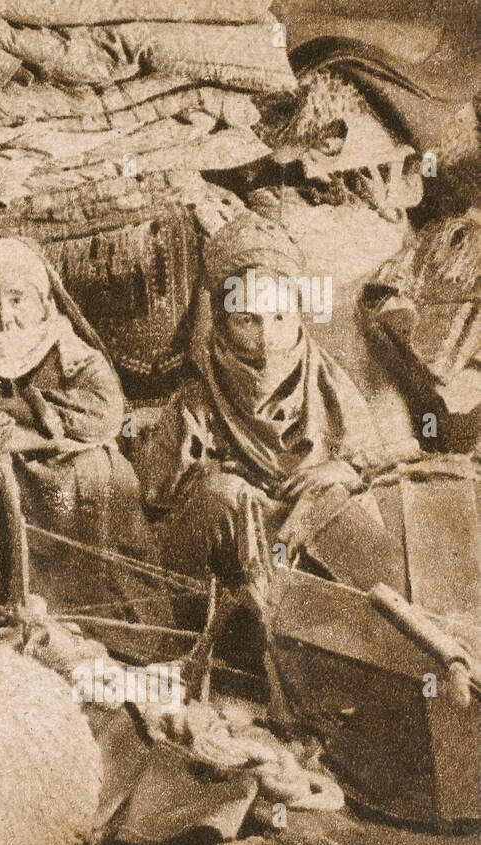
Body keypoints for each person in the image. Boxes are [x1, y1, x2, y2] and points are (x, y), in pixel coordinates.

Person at [137, 212, 378, 624]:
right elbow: (156, 503)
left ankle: (327, 627)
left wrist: (340, 471)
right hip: (226, 579)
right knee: (224, 494)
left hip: (309, 553)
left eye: (279, 318)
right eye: (247, 320)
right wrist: (223, 483)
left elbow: (373, 467)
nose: (266, 337)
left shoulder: (329, 388)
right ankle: (219, 630)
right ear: (222, 322)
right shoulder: (196, 400)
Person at [0, 235, 153, 613]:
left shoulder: (68, 349)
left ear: (44, 303)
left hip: (68, 469)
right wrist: (40, 434)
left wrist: (17, 416)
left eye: (17, 300)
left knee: (102, 470)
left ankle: (100, 609)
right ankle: (2, 608)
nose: (3, 316)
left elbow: (105, 411)